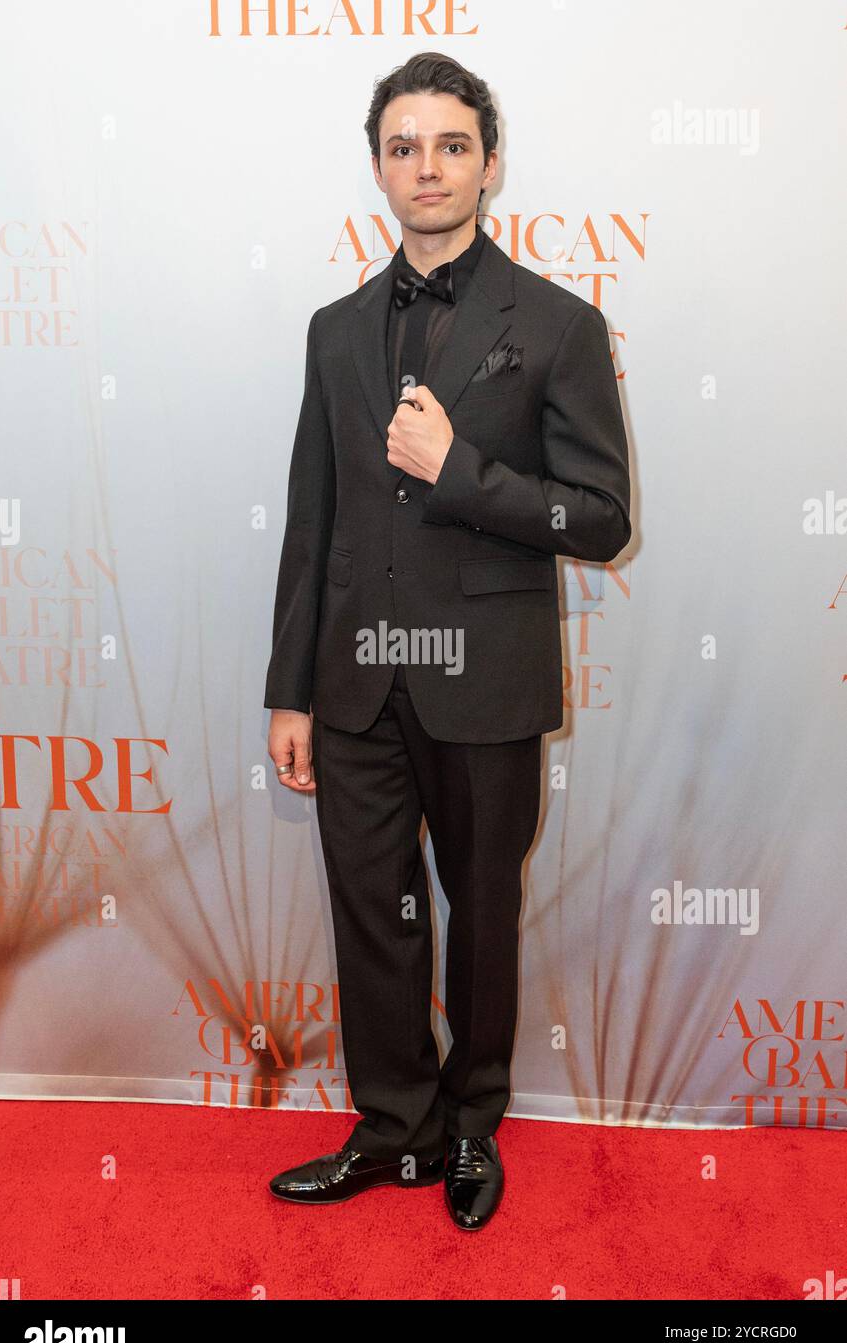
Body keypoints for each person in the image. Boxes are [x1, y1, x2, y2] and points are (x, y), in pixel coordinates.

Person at [263, 51, 631, 1230]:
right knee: (373, 909)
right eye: (404, 146)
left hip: (485, 682)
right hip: (356, 684)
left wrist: (460, 473)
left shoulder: (563, 325)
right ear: (378, 167)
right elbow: (310, 522)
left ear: (489, 162)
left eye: (452, 145)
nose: (428, 167)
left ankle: (472, 1126)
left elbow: (604, 518)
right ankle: (394, 1129)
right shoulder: (333, 331)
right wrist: (289, 692)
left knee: (479, 912)